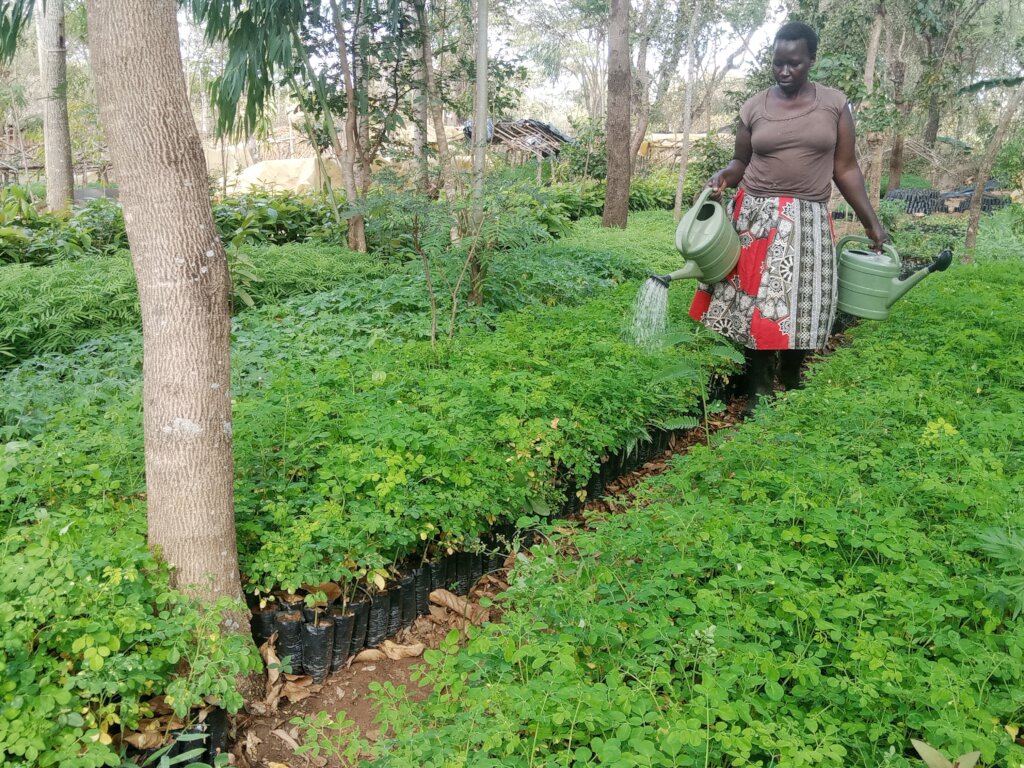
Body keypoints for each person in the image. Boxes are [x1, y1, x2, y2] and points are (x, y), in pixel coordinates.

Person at [689, 21, 889, 413]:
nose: (784, 71)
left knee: (805, 304)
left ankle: (792, 375)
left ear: (811, 60)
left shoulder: (834, 105)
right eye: (777, 63)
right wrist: (723, 176)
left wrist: (871, 222)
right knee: (759, 304)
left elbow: (846, 168)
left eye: (794, 63)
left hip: (808, 219)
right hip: (757, 217)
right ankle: (758, 389)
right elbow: (740, 162)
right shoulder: (754, 106)